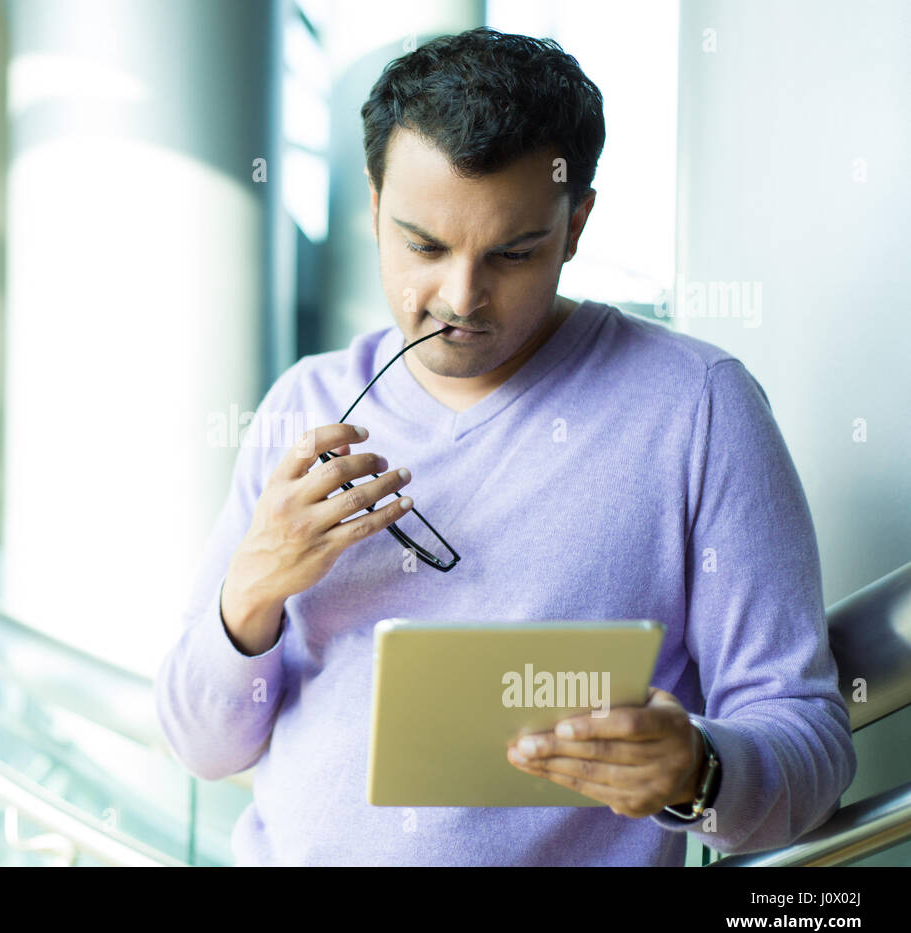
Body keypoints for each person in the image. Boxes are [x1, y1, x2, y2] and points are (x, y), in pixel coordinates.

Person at [154, 27, 855, 865]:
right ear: (374, 206)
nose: (459, 297)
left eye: (512, 254)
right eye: (423, 246)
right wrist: (250, 595)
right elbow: (201, 747)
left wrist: (700, 771)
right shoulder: (303, 401)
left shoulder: (698, 409)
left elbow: (808, 733)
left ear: (577, 222)